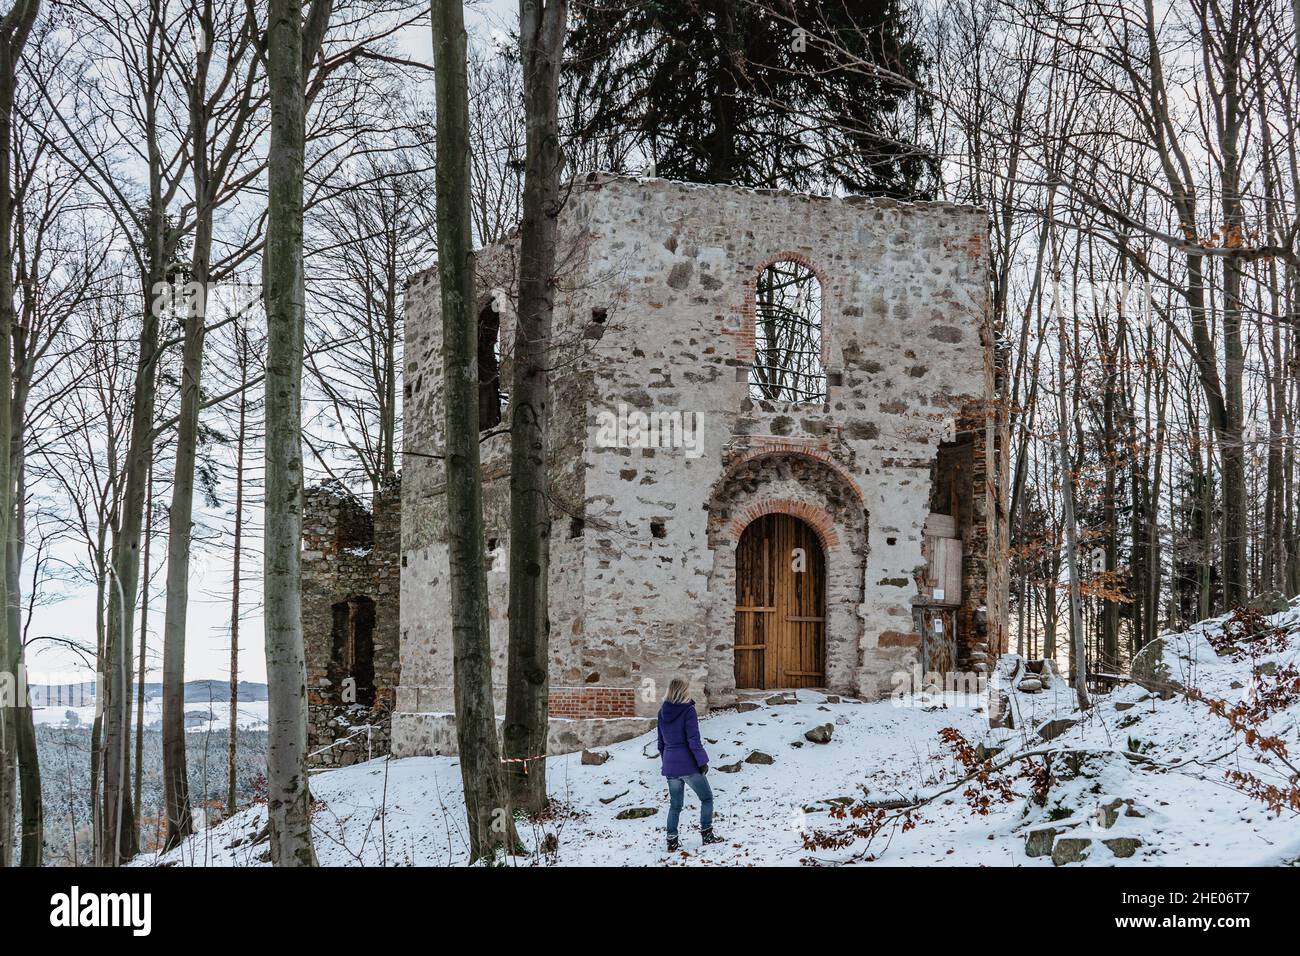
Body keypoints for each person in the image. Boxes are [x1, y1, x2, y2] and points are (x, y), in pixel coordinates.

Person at [657, 677, 723, 851]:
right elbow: (693, 741)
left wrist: (668, 763)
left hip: (671, 765)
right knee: (706, 798)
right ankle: (707, 834)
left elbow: (660, 744)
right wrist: (702, 762)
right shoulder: (688, 711)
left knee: (675, 805)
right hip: (687, 764)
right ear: (683, 690)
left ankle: (671, 841)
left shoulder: (661, 712)